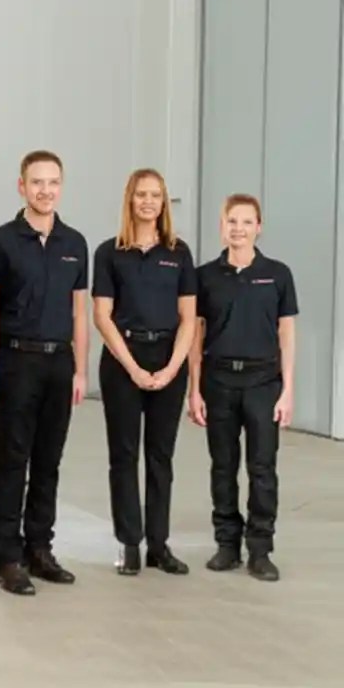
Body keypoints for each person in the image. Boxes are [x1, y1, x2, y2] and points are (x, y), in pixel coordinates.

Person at [0, 150, 88, 595]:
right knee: (13, 460)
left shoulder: (74, 243)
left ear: (61, 187)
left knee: (49, 461)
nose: (46, 190)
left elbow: (79, 313)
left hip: (58, 363)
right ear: (21, 186)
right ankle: (8, 557)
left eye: (53, 183)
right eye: (37, 182)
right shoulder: (1, 242)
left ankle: (39, 548)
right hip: (16, 361)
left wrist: (81, 370)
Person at [92, 168, 196, 576]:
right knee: (124, 454)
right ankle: (129, 543)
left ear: (164, 202)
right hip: (123, 360)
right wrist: (133, 367)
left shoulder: (178, 252)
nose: (148, 201)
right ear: (129, 200)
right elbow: (102, 316)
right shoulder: (109, 253)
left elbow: (189, 317)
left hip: (169, 355)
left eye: (155, 195)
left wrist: (172, 367)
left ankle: (159, 544)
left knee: (160, 456)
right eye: (141, 194)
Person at [187, 194, 296, 582]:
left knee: (262, 468)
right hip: (218, 381)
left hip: (264, 382)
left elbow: (287, 333)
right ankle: (227, 545)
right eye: (232, 221)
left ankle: (261, 549)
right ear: (222, 226)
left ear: (259, 226)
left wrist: (288, 390)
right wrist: (194, 389)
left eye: (246, 221)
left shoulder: (278, 274)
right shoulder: (205, 276)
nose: (239, 228)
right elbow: (195, 335)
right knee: (223, 466)